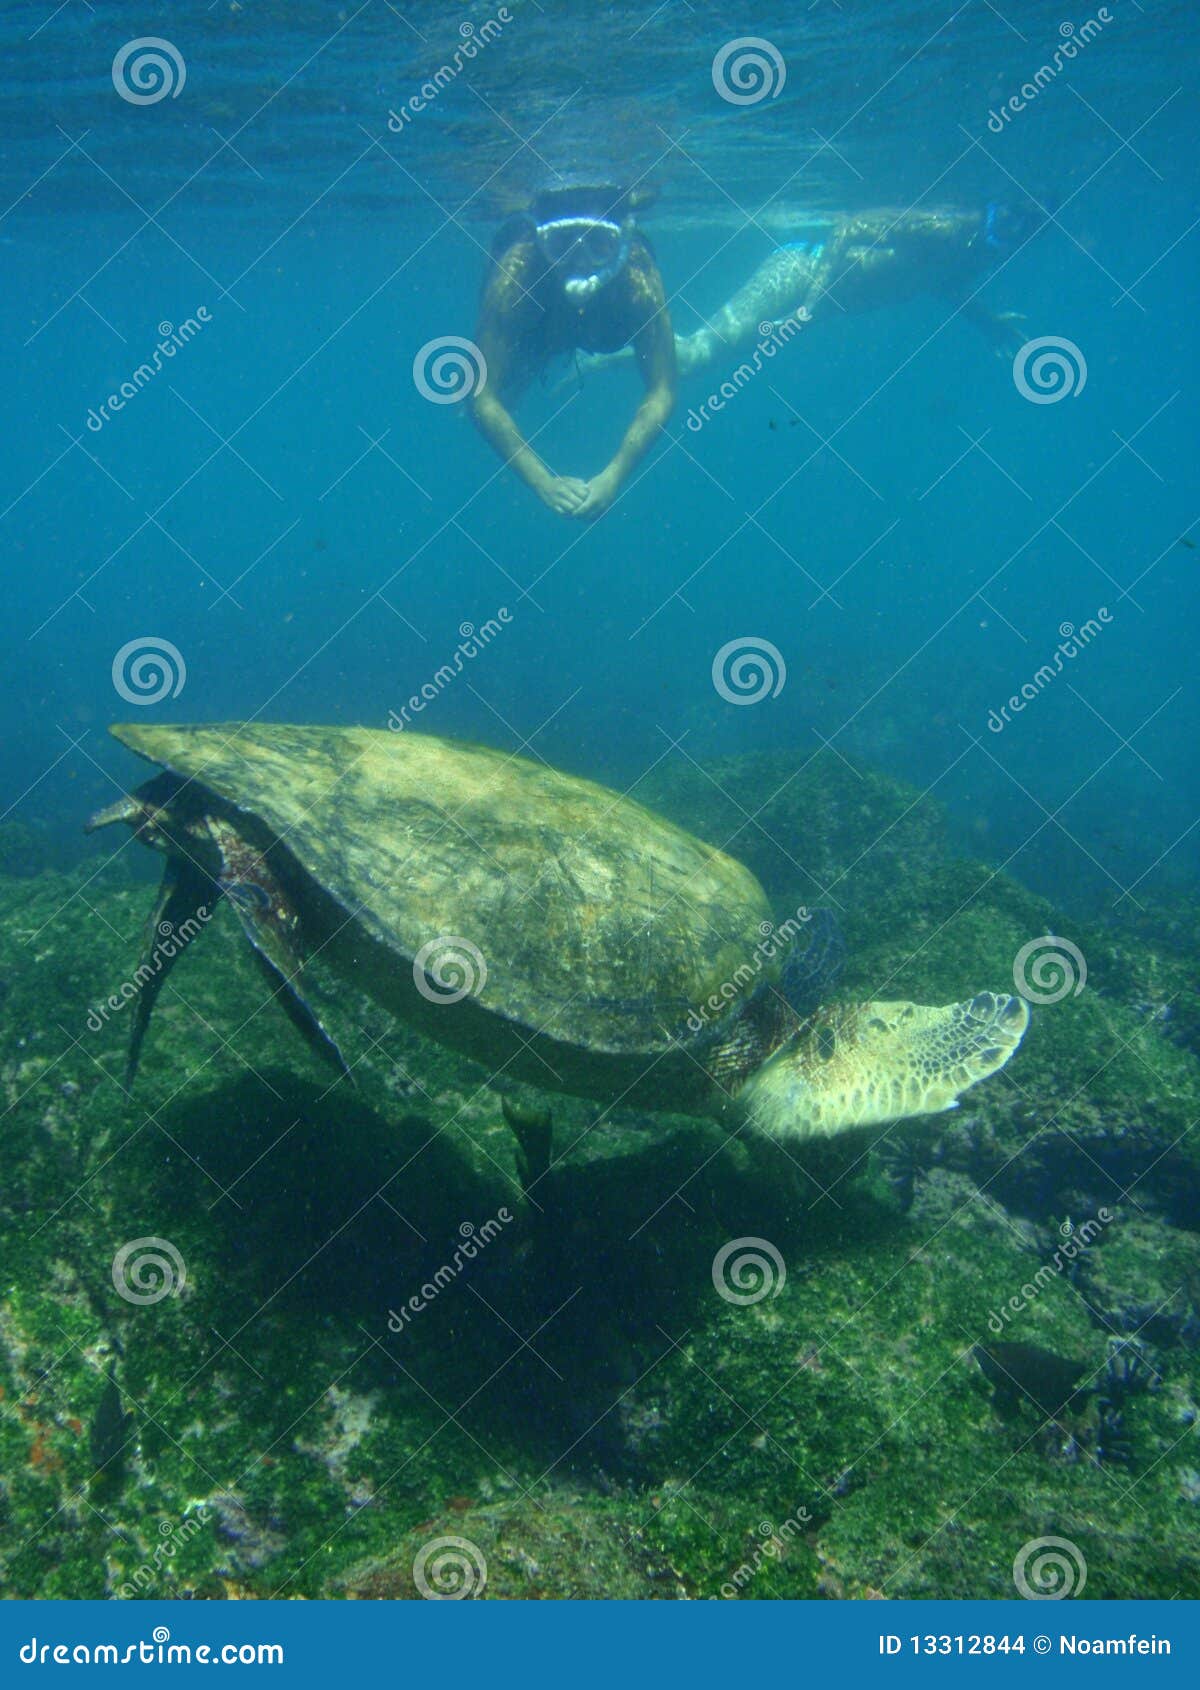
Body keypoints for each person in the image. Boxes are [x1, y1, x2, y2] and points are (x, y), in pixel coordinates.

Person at [580, 203, 1037, 383]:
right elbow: (849, 227)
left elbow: (944, 286)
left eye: (1015, 242)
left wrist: (988, 323)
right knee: (699, 355)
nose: (1000, 247)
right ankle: (597, 356)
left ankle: (601, 354)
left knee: (700, 361)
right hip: (799, 271)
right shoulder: (945, 231)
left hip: (811, 305)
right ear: (987, 219)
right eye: (1001, 231)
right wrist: (811, 305)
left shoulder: (967, 257)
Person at [470, 182, 677, 519]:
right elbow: (482, 396)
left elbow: (663, 388)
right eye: (561, 243)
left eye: (599, 244)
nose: (580, 261)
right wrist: (541, 481)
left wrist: (613, 477)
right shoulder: (517, 275)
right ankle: (533, 369)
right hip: (536, 333)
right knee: (496, 390)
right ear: (540, 240)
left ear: (623, 242)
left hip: (592, 328)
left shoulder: (638, 277)